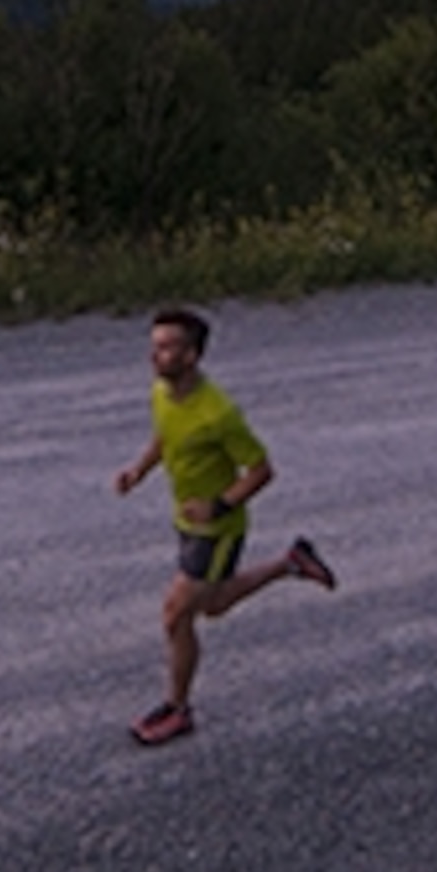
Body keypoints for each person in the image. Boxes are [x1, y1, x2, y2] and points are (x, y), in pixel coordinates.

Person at [112, 306, 335, 745]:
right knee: (212, 606)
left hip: (217, 529)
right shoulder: (162, 392)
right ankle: (290, 562)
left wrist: (218, 506)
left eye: (166, 347)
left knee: (176, 615)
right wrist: (138, 471)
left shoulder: (219, 414)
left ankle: (177, 710)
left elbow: (261, 470)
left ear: (192, 355)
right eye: (154, 346)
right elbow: (166, 435)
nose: (154, 356)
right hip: (185, 518)